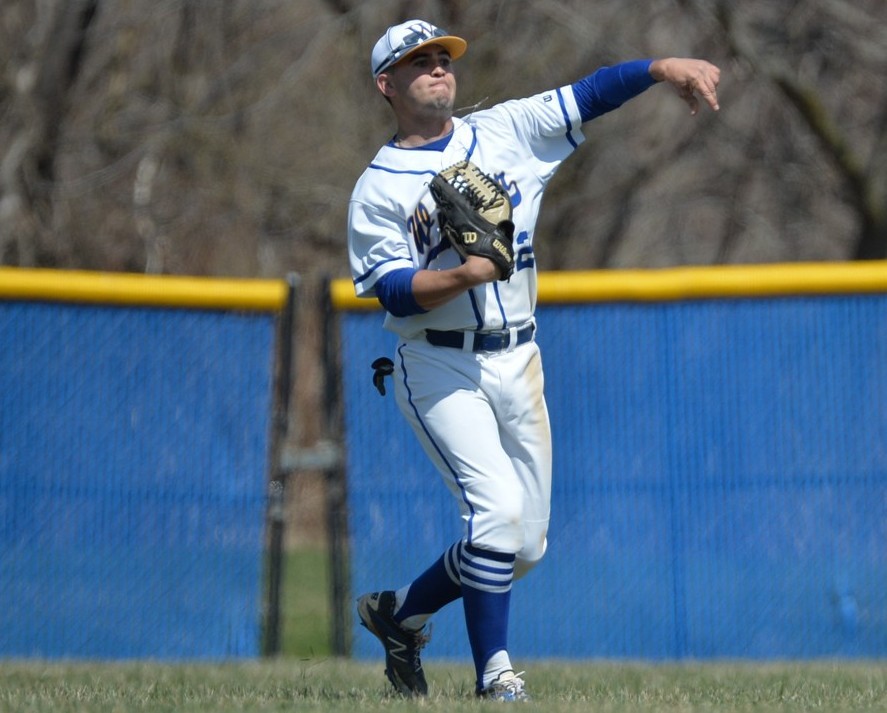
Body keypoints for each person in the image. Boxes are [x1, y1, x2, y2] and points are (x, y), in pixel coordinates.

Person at [347, 18, 720, 702]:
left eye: (441, 57)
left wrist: (661, 66)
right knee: (492, 515)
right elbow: (391, 288)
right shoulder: (377, 189)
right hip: (437, 366)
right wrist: (468, 272)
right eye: (417, 61)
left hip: (519, 359)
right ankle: (496, 674)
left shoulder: (507, 130)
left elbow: (588, 94)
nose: (436, 67)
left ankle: (398, 614)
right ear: (386, 85)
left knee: (523, 545)